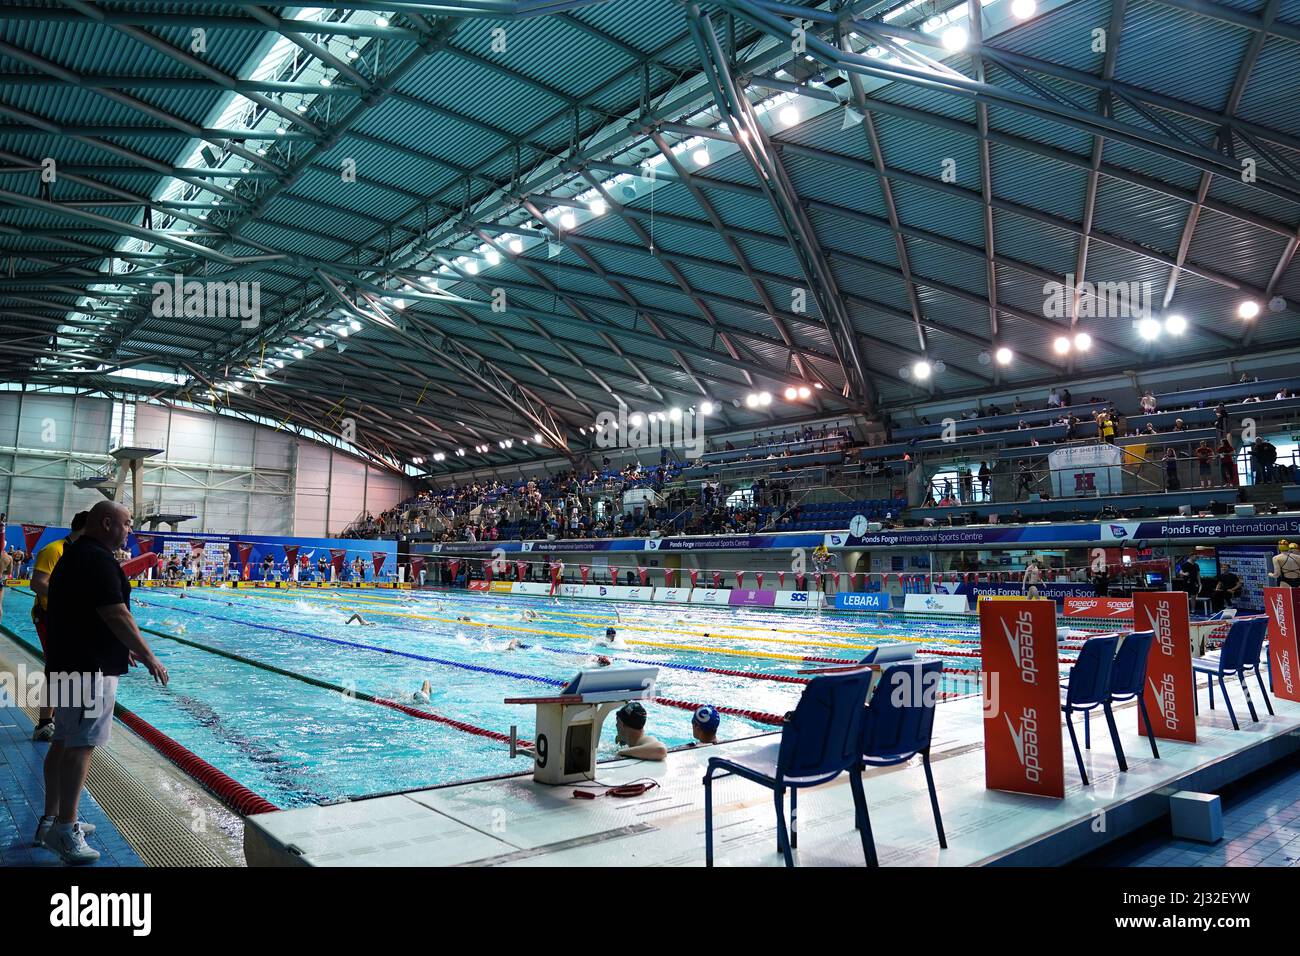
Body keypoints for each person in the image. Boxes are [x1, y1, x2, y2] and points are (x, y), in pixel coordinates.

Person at [38, 501, 168, 864]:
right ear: (107, 523)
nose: (130, 531)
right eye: (127, 524)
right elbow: (116, 612)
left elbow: (87, 612)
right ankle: (65, 830)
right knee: (81, 746)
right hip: (89, 671)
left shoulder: (74, 554)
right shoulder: (98, 560)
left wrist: (119, 648)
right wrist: (147, 654)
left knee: (63, 739)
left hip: (66, 662)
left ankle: (54, 818)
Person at [29, 511, 89, 741]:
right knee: (56, 670)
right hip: (49, 617)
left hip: (68, 618)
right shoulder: (54, 550)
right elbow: (37, 584)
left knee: (66, 670)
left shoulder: (82, 552)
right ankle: (44, 723)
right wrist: (70, 597)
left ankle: (54, 719)